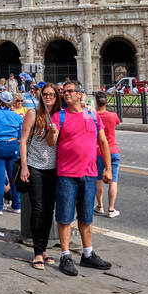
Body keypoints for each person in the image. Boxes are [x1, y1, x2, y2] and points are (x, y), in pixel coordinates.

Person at [45, 79, 112, 276]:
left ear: (80, 94)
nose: (65, 94)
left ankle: (88, 254)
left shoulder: (92, 115)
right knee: (65, 217)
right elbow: (51, 143)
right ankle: (65, 256)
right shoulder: (59, 117)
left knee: (86, 217)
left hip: (90, 174)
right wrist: (52, 132)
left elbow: (103, 142)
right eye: (63, 92)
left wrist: (108, 169)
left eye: (69, 91)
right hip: (66, 174)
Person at [19, 83, 60, 270]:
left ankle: (44, 249)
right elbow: (23, 141)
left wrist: (53, 133)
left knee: (48, 210)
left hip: (53, 169)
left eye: (52, 94)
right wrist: (24, 166)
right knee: (37, 208)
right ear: (40, 96)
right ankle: (36, 252)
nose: (49, 97)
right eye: (46, 94)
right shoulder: (32, 114)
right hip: (35, 167)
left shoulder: (59, 116)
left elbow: (54, 144)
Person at [91, 91, 122, 217]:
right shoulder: (113, 115)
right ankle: (111, 209)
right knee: (113, 180)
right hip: (113, 150)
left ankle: (100, 206)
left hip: (98, 151)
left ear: (96, 103)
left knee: (98, 180)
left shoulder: (92, 116)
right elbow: (117, 122)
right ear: (106, 103)